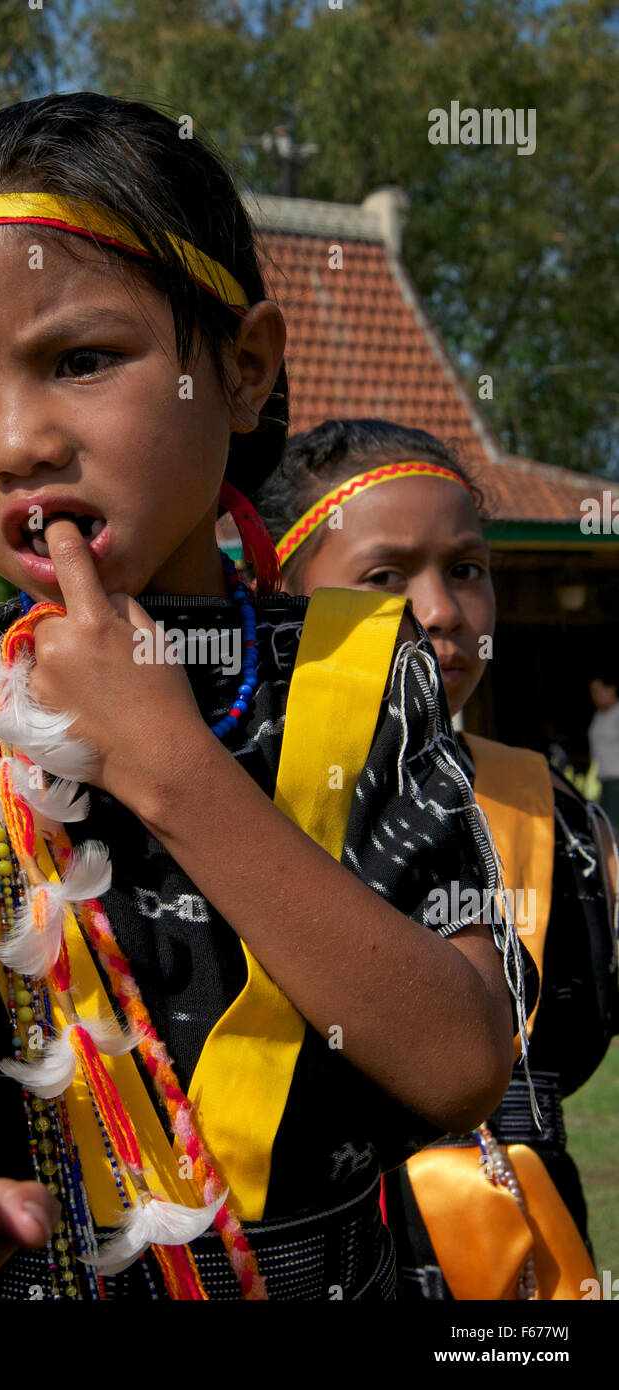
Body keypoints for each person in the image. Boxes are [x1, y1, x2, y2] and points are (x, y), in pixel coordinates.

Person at [0, 98, 526, 1303]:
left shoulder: (361, 666)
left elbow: (460, 1059)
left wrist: (168, 762)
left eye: (79, 360)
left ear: (241, 368)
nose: (13, 443)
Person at [256, 417, 619, 1298]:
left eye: (465, 570)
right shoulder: (231, 818)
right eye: (385, 576)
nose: (443, 611)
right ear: (280, 592)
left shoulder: (559, 820)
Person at [589, 670, 619, 830]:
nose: (595, 696)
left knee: (614, 829)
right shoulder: (599, 716)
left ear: (611, 689)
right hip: (603, 781)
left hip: (617, 780)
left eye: (598, 690)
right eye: (593, 692)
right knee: (604, 828)